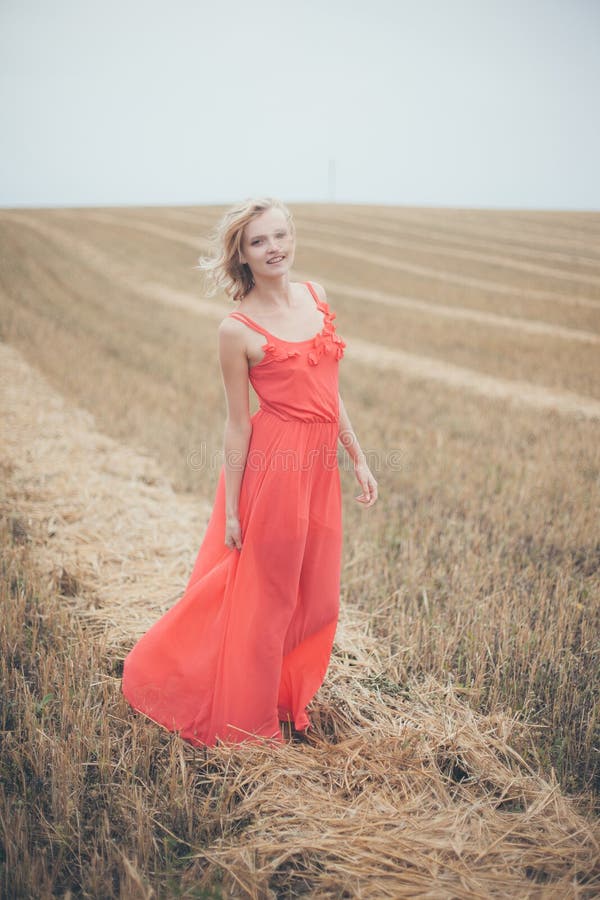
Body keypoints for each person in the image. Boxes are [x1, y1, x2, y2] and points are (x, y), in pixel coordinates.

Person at [121, 197, 378, 747]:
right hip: (275, 471)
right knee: (268, 600)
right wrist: (233, 510)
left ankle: (286, 697)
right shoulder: (236, 330)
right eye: (259, 241)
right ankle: (251, 725)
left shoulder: (317, 296)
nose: (274, 248)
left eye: (280, 235)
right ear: (241, 254)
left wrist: (356, 455)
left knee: (317, 597)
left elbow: (330, 392)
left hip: (318, 468)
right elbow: (237, 426)